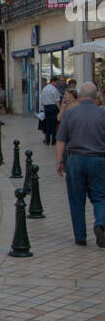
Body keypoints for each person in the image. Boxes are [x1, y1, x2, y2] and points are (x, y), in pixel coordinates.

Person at [56, 82, 105, 246]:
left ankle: (80, 237)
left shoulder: (70, 114)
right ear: (95, 96)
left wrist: (59, 161)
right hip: (98, 159)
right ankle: (100, 224)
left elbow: (61, 141)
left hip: (75, 159)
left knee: (76, 199)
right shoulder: (102, 114)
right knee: (100, 197)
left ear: (81, 95)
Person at [40, 76, 62, 145]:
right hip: (53, 108)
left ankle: (47, 140)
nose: (57, 84)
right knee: (54, 125)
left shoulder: (44, 89)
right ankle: (53, 141)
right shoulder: (54, 90)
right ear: (53, 81)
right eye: (56, 82)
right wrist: (61, 110)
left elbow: (42, 100)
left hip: (46, 108)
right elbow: (57, 101)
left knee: (47, 124)